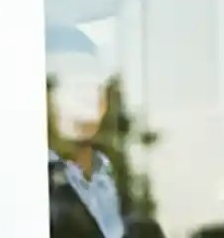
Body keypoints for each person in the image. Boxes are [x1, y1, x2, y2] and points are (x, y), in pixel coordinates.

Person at [46, 24, 164, 238]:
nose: (88, 95)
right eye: (71, 83)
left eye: (93, 82)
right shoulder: (29, 180)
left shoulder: (117, 172)